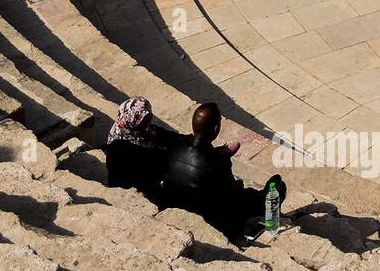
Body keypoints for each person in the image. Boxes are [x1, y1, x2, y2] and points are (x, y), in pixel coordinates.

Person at [158, 103, 287, 242]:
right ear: (216, 128)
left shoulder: (175, 144)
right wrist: (236, 185)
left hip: (179, 203)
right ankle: (266, 221)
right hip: (216, 218)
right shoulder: (216, 164)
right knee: (277, 185)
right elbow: (228, 196)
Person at [104, 98, 175, 200]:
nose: (147, 127)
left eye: (149, 121)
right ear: (130, 122)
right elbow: (132, 177)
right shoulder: (118, 149)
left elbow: (167, 136)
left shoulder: (143, 130)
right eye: (142, 125)